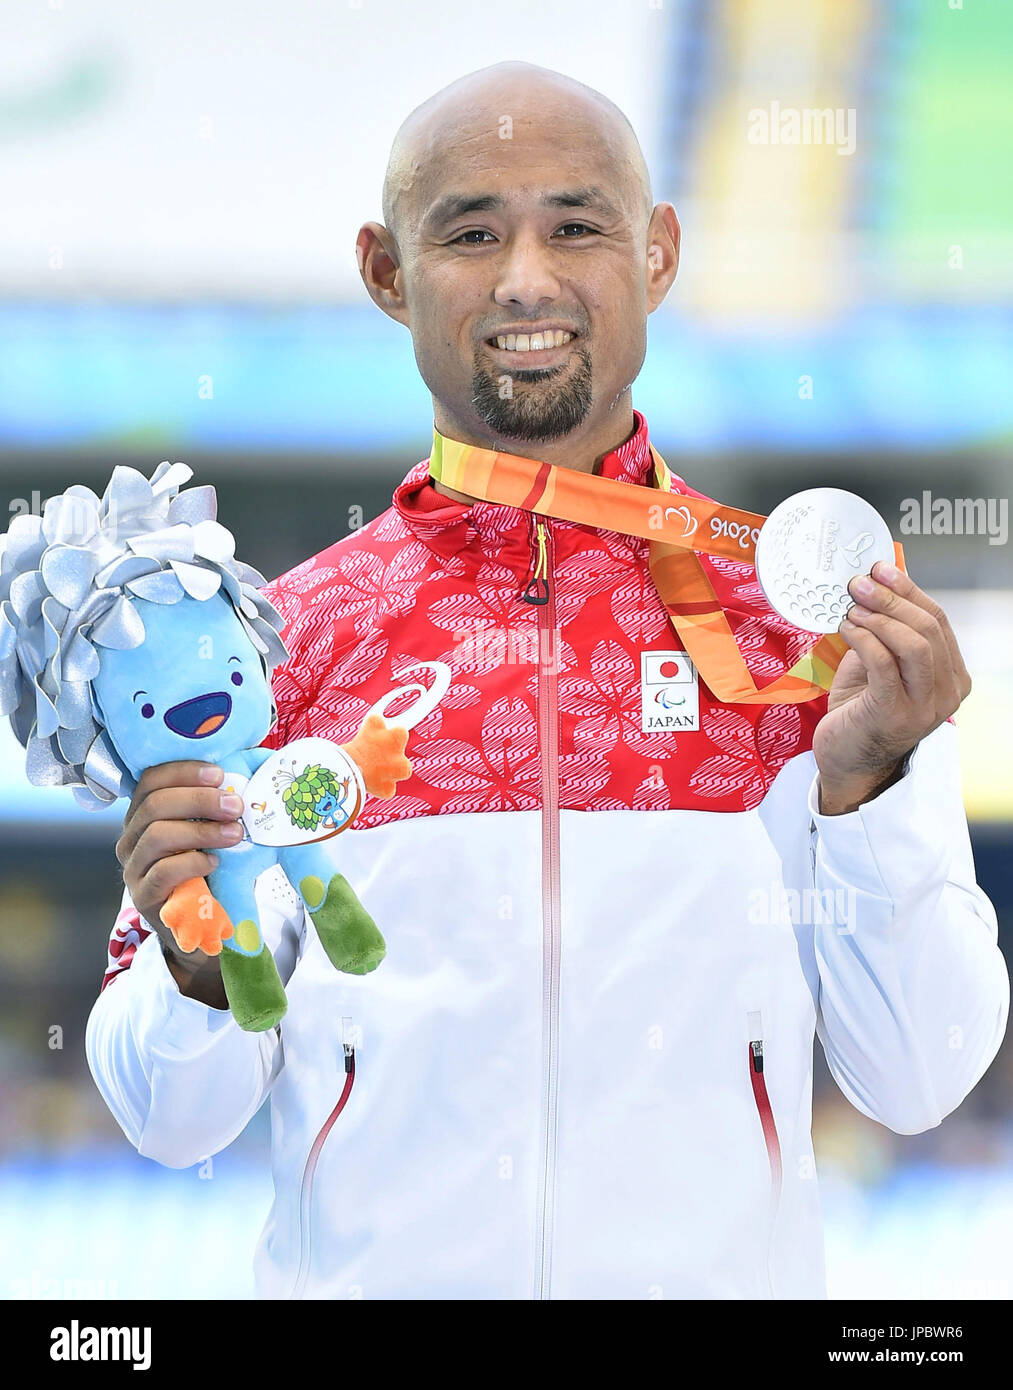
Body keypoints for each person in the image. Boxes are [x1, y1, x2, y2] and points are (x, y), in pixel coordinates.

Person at [86, 61, 1008, 1300]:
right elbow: (169, 1115)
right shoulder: (271, 653)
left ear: (658, 253)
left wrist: (872, 789)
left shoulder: (807, 639)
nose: (527, 278)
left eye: (576, 226)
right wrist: (197, 963)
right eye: (470, 232)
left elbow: (921, 1071)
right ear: (383, 270)